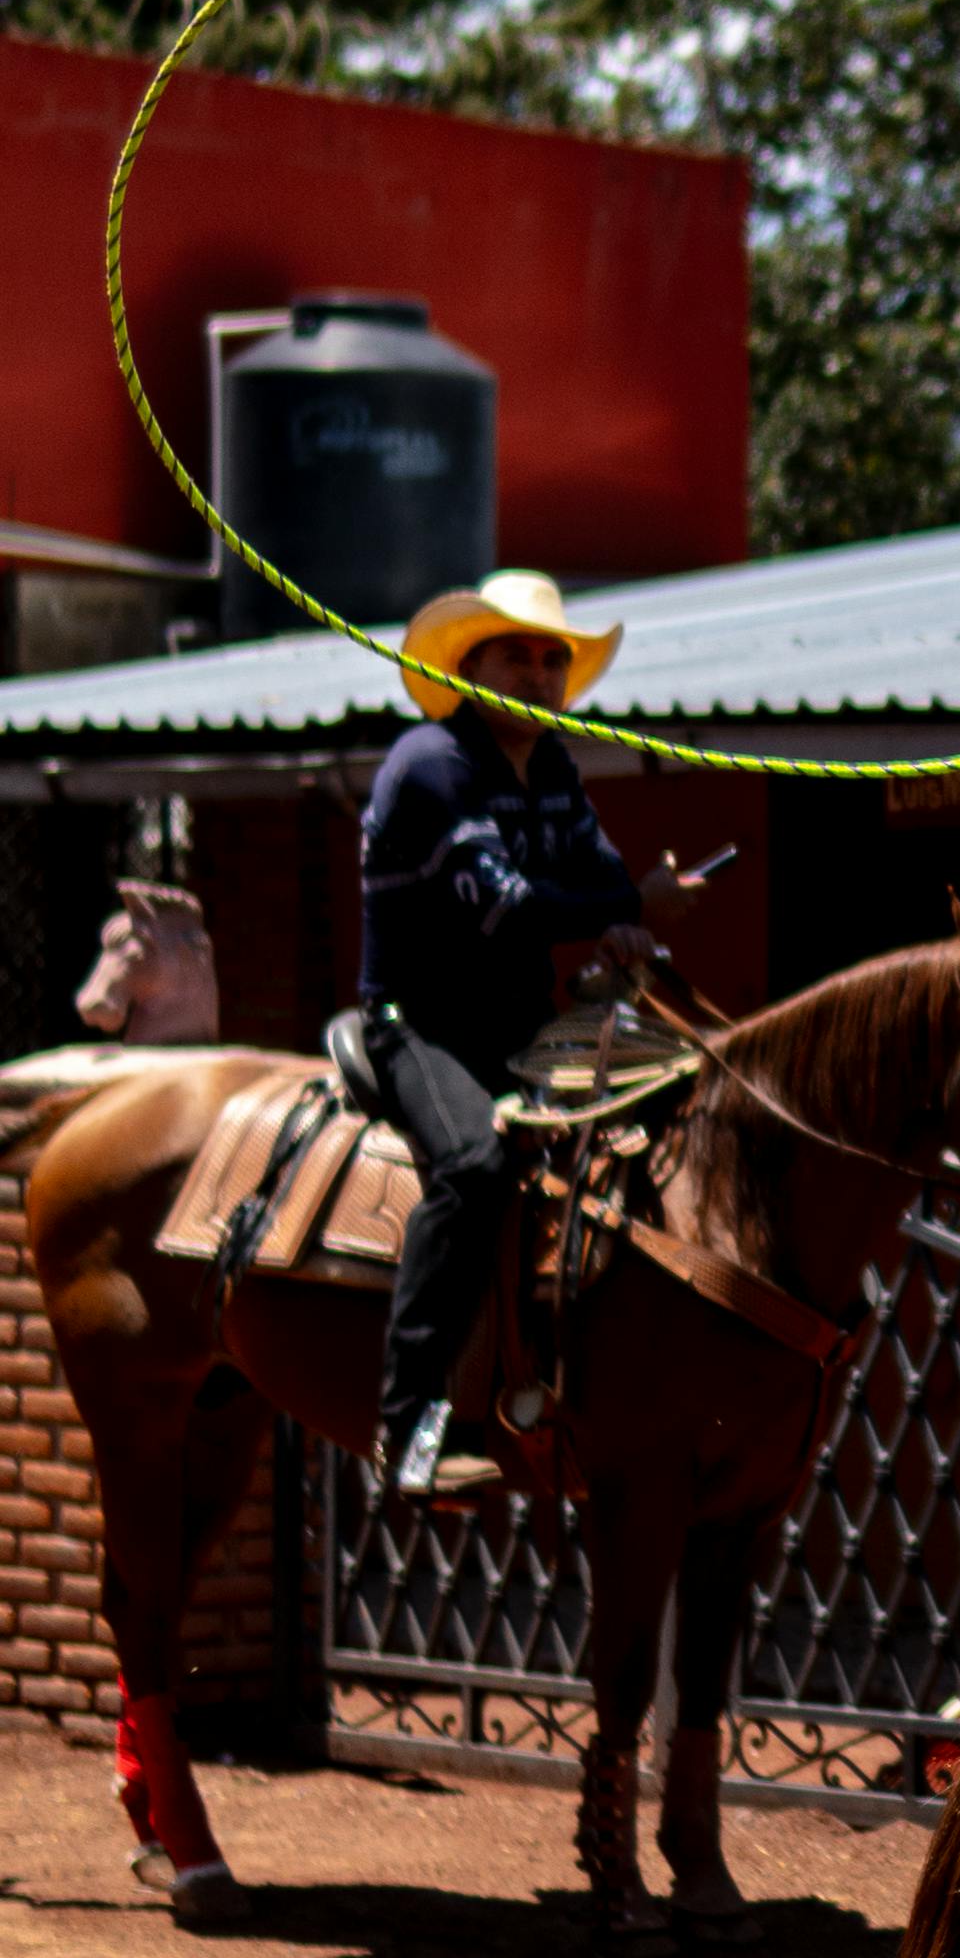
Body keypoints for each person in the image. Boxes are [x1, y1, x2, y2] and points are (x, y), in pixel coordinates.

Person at [356, 569, 690, 1502]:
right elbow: (503, 909)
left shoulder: (551, 767)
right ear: (470, 664)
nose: (542, 674)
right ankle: (409, 1421)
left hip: (518, 1026)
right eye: (520, 655)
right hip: (416, 1027)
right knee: (474, 1167)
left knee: (668, 1106)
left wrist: (625, 919)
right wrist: (630, 902)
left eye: (554, 658)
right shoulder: (431, 763)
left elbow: (592, 867)